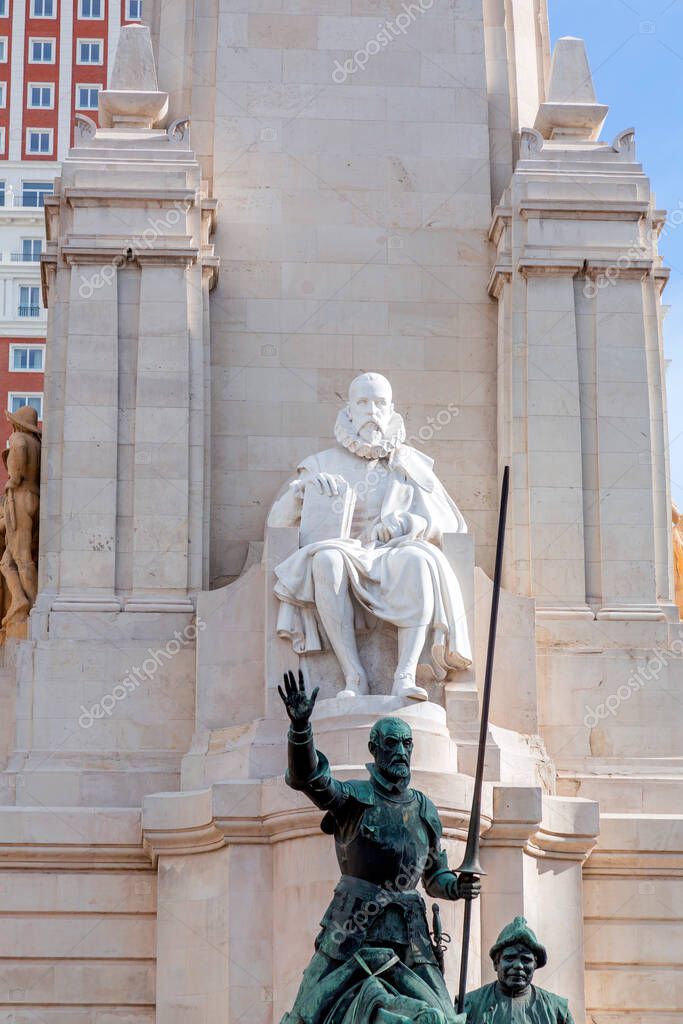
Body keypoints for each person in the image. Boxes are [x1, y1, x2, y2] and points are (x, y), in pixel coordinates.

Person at [279, 669, 480, 1024]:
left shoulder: (424, 808)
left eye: (406, 744)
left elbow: (435, 877)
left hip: (411, 932)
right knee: (305, 1013)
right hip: (351, 924)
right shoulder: (356, 797)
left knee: (446, 1017)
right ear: (374, 749)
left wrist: (456, 886)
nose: (400, 751)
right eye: (391, 744)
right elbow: (308, 779)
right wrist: (300, 730)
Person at [268, 372, 471, 702]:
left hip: (393, 552)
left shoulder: (409, 463)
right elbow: (277, 524)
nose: (372, 411)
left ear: (392, 409)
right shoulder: (322, 464)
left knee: (420, 560)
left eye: (379, 403)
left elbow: (452, 525)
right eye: (363, 403)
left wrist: (410, 523)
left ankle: (404, 675)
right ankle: (353, 675)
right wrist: (300, 493)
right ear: (349, 410)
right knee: (326, 560)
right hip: (345, 551)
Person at [464, 917, 575, 1024]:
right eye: (510, 958)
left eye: (526, 959)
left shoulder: (557, 1011)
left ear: (535, 965)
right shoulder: (469, 1005)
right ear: (496, 963)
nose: (518, 965)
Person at [0, 405, 41, 631]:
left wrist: (12, 480)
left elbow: (16, 470)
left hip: (19, 497)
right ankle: (19, 600)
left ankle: (33, 609)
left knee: (23, 558)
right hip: (34, 497)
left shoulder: (19, 439)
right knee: (7, 561)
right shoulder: (38, 444)